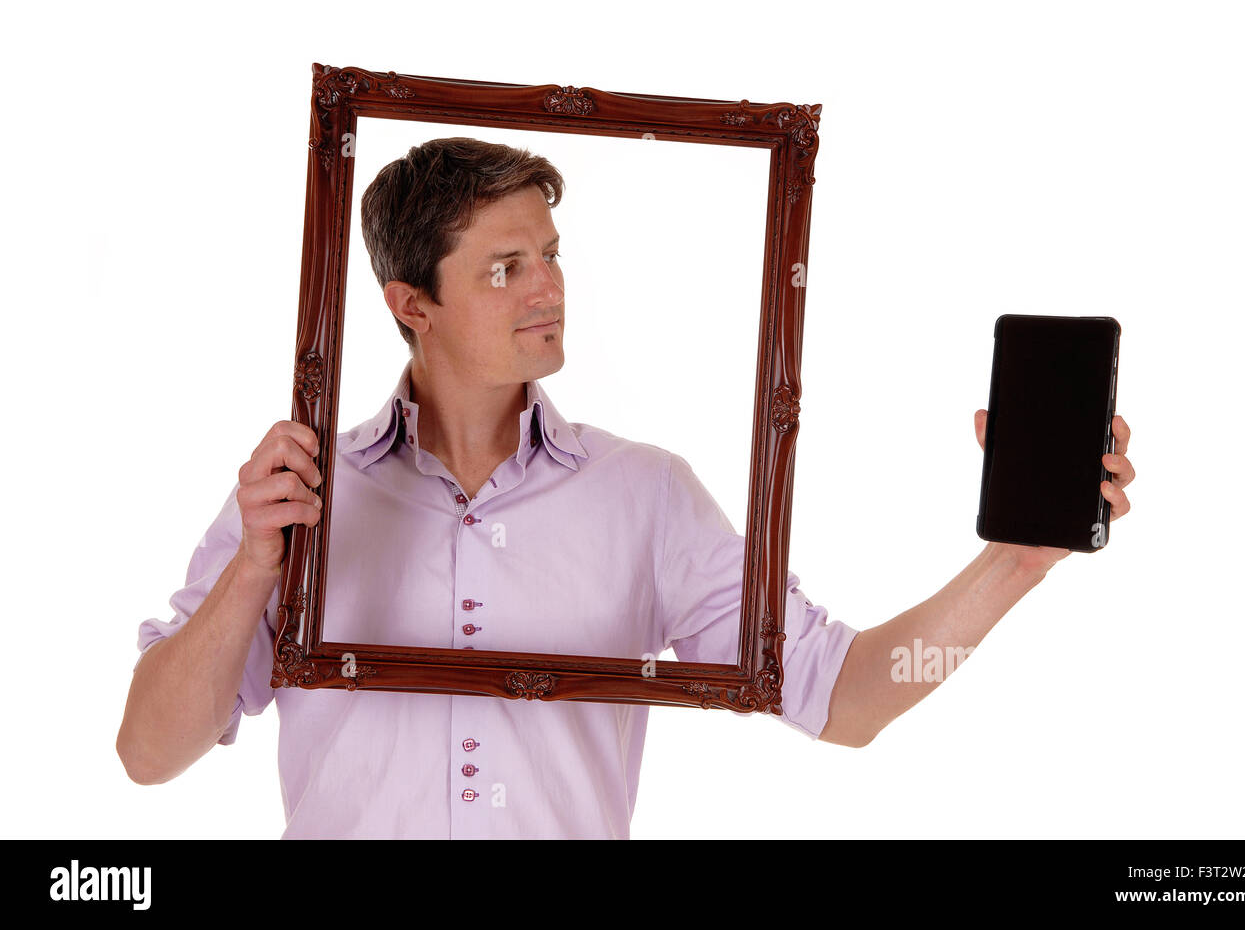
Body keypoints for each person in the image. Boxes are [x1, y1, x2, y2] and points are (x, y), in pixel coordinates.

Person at [116, 137, 1136, 838]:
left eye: (551, 256)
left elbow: (848, 696)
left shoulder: (645, 496)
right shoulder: (296, 497)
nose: (551, 287)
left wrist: (1016, 560)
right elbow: (148, 751)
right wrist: (257, 565)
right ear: (411, 302)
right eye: (506, 267)